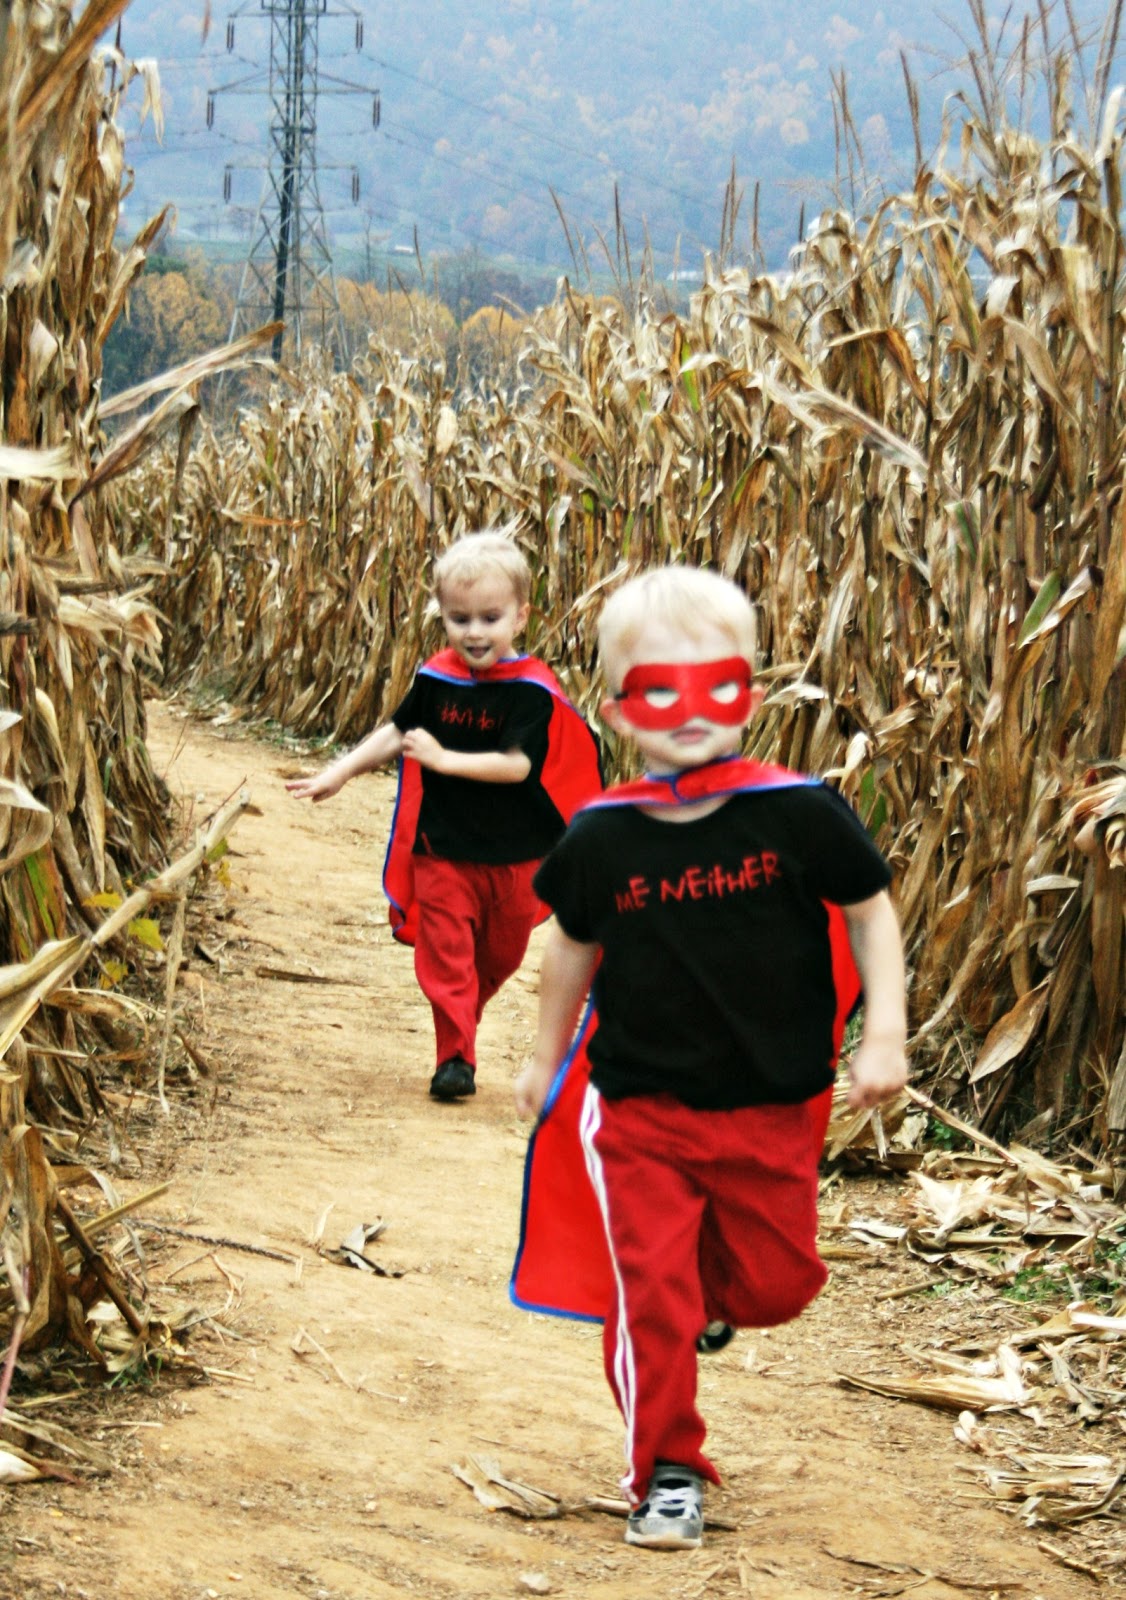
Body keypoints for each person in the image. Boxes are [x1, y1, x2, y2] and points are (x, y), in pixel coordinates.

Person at [512, 565, 907, 1551]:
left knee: (778, 1283)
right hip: (640, 1107)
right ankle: (666, 1470)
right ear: (616, 710)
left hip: (775, 1103)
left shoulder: (799, 812)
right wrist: (544, 1058)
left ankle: (704, 1305)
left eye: (713, 685)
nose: (688, 711)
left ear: (752, 695)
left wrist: (884, 1034)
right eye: (658, 690)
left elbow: (869, 911)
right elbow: (570, 945)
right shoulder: (602, 836)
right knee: (651, 1296)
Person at [287, 530, 601, 1101]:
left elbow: (517, 767)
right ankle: (454, 1056)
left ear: (520, 617)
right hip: (443, 848)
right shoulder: (436, 678)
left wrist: (442, 759)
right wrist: (341, 771)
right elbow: (398, 731)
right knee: (446, 953)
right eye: (460, 619)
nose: (474, 632)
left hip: (516, 856)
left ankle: (462, 1017)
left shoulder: (530, 691)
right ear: (443, 616)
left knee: (500, 957)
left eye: (489, 618)